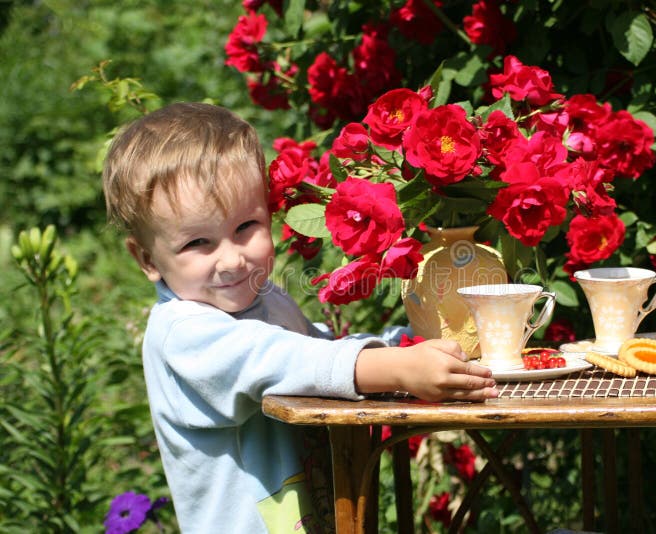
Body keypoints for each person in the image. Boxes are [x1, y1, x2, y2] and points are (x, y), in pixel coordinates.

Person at [102, 102, 498, 533]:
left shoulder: (263, 299)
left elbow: (321, 355)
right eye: (199, 242)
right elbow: (279, 360)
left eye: (245, 227)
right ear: (146, 258)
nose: (232, 259)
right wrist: (398, 368)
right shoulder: (181, 332)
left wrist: (404, 343)